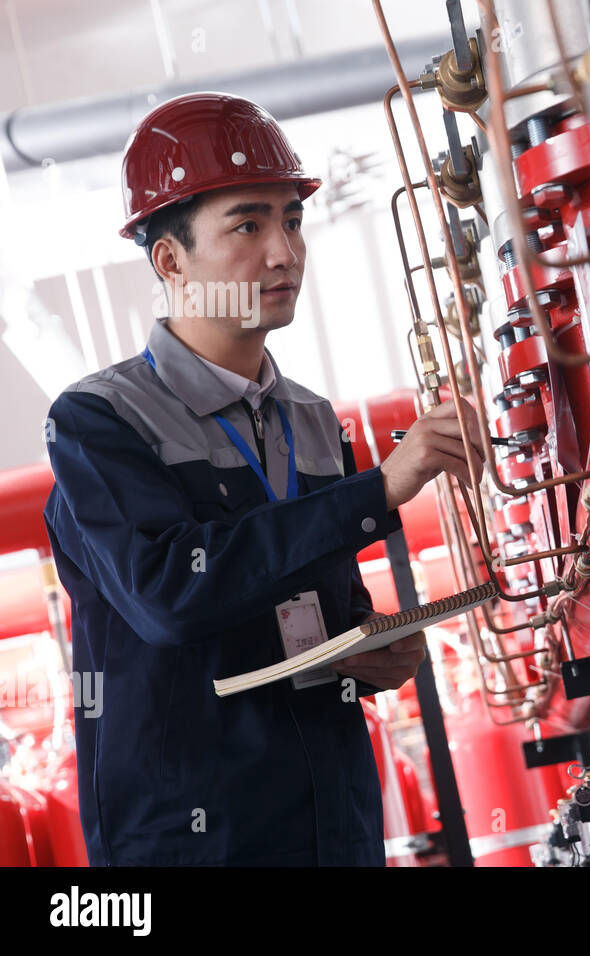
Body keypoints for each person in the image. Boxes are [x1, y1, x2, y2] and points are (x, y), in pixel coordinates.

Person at [41, 92, 484, 866]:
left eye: (293, 219)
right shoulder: (98, 422)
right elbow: (171, 595)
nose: (284, 251)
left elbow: (318, 603)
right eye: (248, 224)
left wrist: (378, 649)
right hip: (195, 842)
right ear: (170, 259)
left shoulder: (313, 421)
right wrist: (378, 489)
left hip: (333, 822)